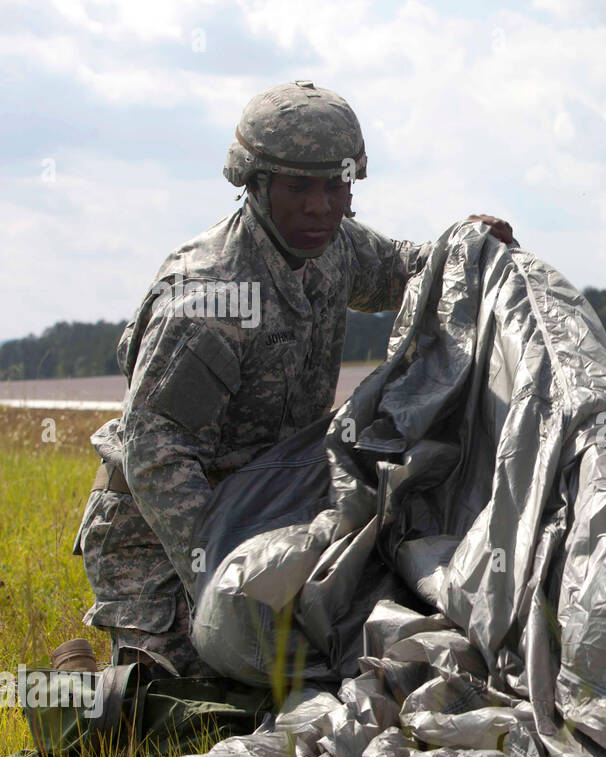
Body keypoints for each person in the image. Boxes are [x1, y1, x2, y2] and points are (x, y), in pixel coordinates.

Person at [67, 80, 514, 677]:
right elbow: (157, 456)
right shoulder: (210, 298)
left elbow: (410, 270)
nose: (319, 207)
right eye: (298, 187)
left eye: (335, 186)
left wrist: (468, 246)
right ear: (255, 185)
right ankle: (76, 686)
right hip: (167, 537)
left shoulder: (333, 250)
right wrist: (220, 576)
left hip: (271, 505)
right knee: (227, 698)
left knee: (350, 655)